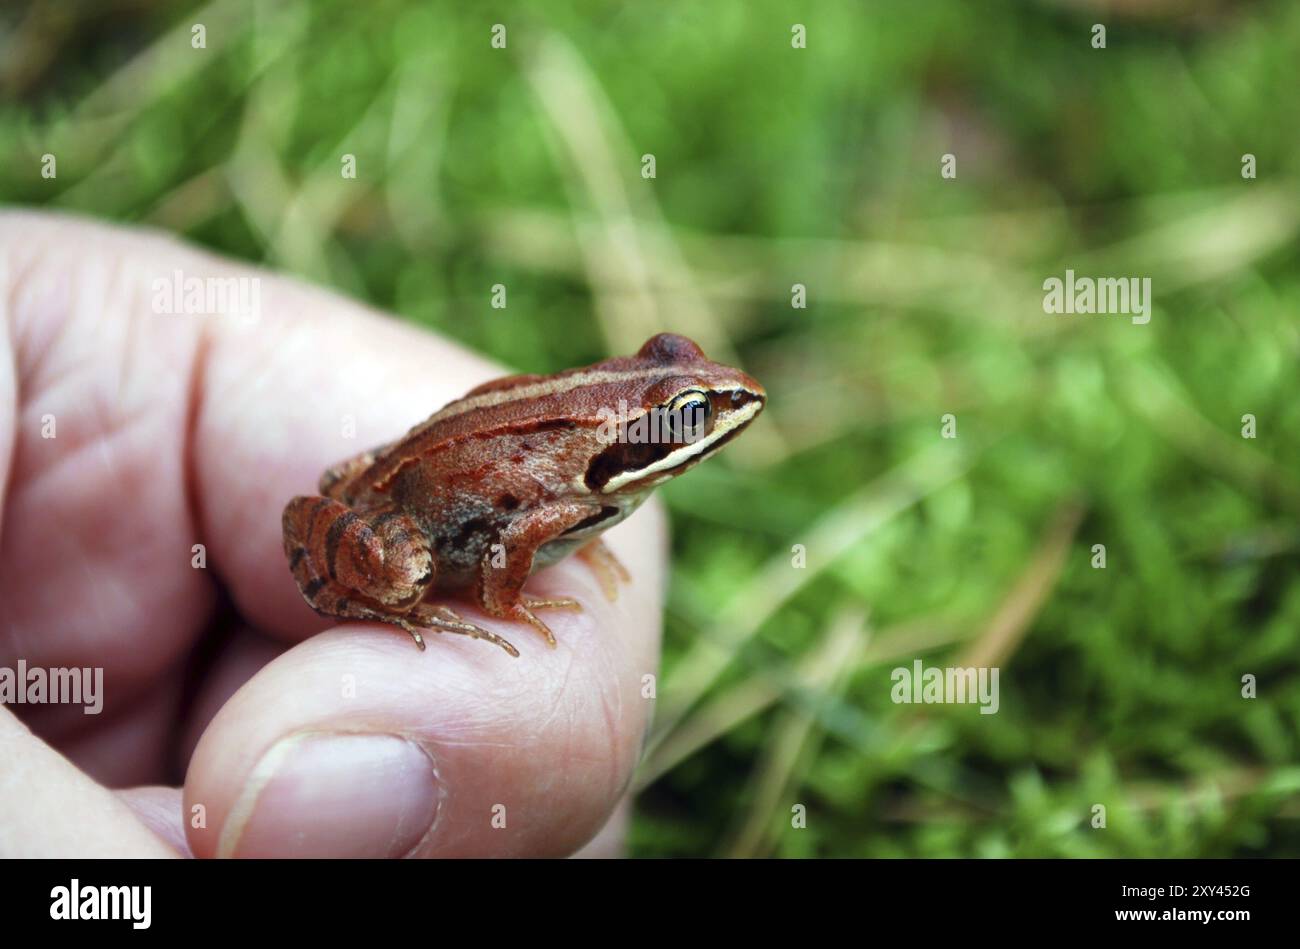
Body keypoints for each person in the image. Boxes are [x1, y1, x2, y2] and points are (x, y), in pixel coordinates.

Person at [0, 212, 661, 858]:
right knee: (406, 577)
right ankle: (385, 595)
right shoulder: (568, 490)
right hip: (407, 518)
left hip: (390, 475)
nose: (697, 427)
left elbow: (541, 514)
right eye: (680, 418)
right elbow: (520, 536)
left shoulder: (593, 479)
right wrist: (506, 604)